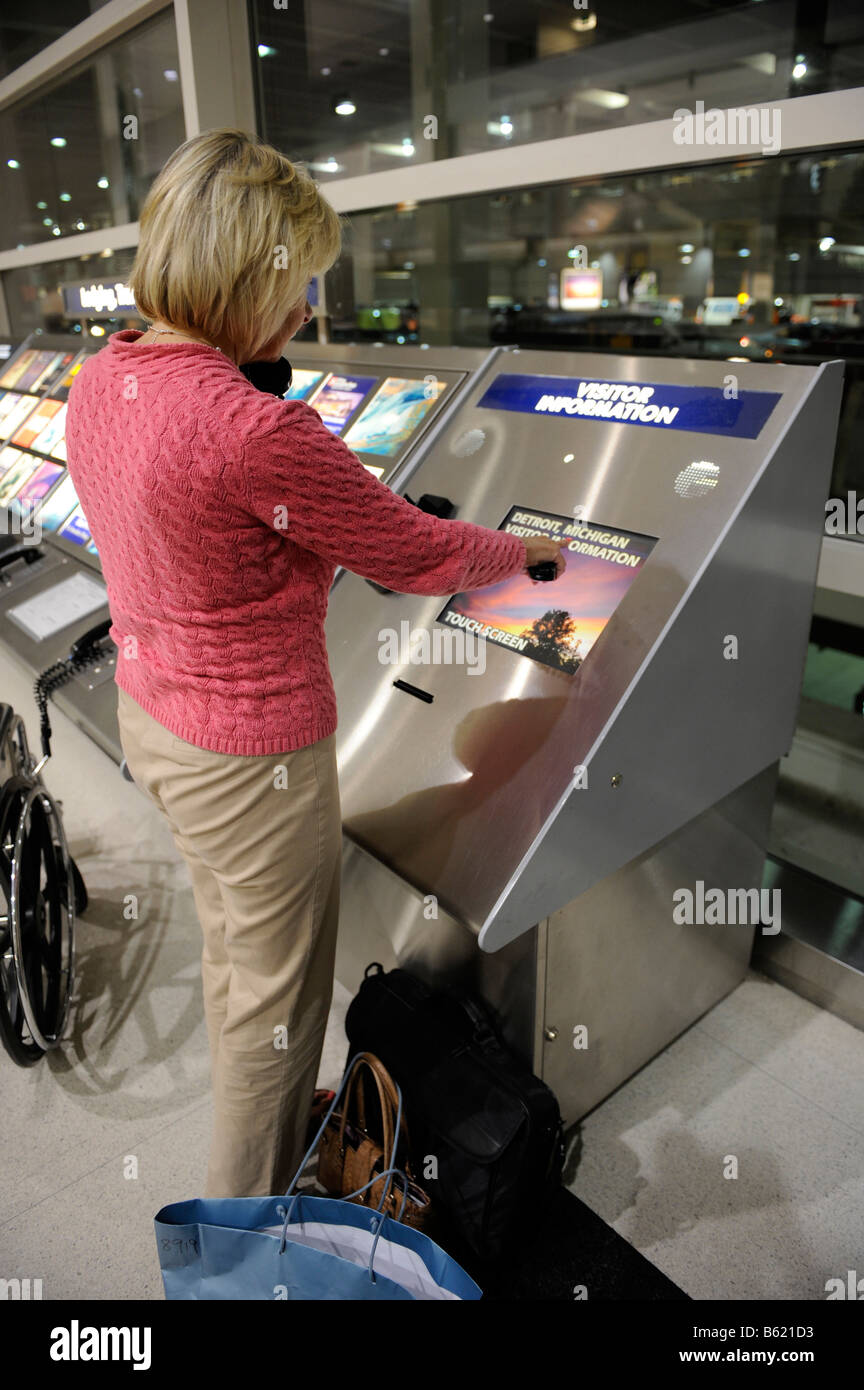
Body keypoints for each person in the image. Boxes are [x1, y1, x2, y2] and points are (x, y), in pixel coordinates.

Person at [64, 128, 567, 1200]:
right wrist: (526, 551)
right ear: (242, 274)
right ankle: (248, 1239)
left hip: (157, 714)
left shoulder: (102, 380)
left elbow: (207, 540)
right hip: (252, 758)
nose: (307, 313)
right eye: (295, 285)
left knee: (238, 965)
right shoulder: (257, 428)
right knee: (277, 1010)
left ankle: (280, 1160)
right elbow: (419, 549)